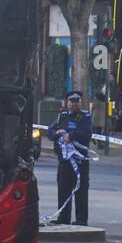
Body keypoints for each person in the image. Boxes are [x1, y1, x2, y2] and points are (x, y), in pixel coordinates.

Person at [48, 91, 94, 226]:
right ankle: (63, 218)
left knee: (81, 191)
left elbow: (87, 133)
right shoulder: (62, 116)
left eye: (77, 101)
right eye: (72, 101)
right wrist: (58, 132)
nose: (74, 104)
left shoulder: (85, 117)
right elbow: (50, 132)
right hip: (64, 161)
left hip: (80, 162)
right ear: (67, 102)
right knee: (63, 190)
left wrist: (71, 136)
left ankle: (81, 220)